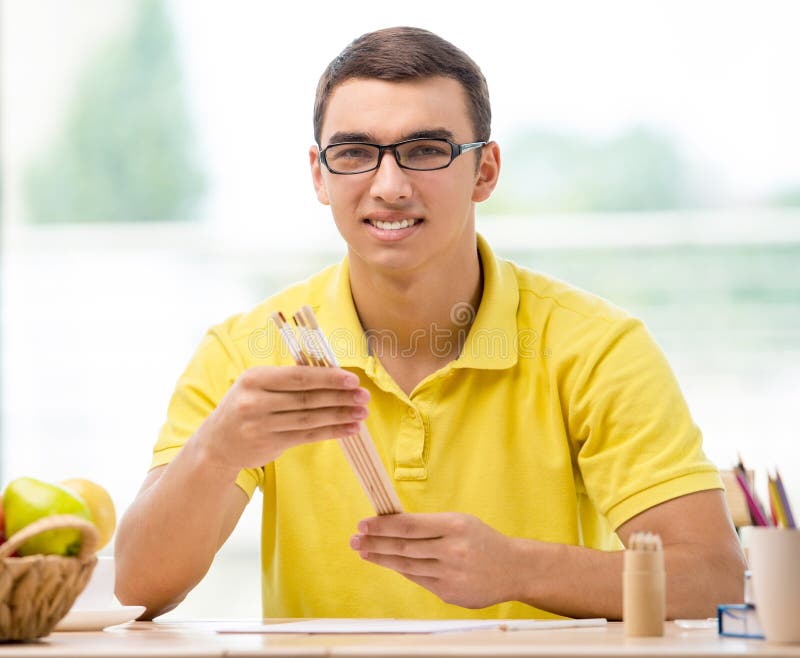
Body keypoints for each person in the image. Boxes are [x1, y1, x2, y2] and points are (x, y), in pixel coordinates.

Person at [116, 26, 745, 621]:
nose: (389, 186)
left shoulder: (596, 347)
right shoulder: (251, 349)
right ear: (319, 175)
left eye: (425, 150)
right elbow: (138, 590)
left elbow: (711, 578)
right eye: (355, 153)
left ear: (486, 171)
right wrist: (217, 449)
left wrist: (517, 569)